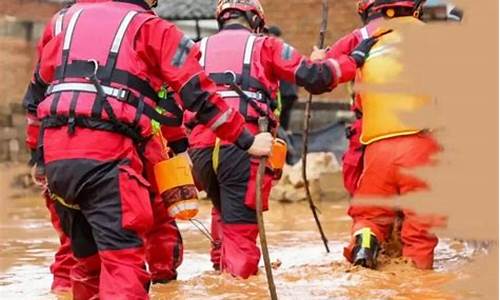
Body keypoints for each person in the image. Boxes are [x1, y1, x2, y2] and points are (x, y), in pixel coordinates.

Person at [22, 0, 274, 299]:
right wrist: (246, 140)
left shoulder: (62, 21)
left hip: (57, 159)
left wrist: (38, 159)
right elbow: (199, 94)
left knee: (87, 266)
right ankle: (165, 279)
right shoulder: (152, 27)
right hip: (109, 157)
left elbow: (36, 95)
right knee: (122, 266)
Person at [187, 0, 377, 279]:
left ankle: (220, 272)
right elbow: (316, 77)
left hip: (200, 151)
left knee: (222, 213)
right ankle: (239, 285)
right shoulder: (266, 45)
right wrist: (355, 59)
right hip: (244, 148)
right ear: (255, 20)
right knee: (241, 232)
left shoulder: (195, 49)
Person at [325, 0, 441, 270]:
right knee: (420, 227)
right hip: (420, 145)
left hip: (374, 145)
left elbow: (322, 71)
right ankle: (416, 275)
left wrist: (320, 57)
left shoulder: (365, 42)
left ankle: (365, 243)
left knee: (370, 215)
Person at [266, 25, 299, 131]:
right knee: (284, 119)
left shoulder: (276, 48)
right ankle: (285, 138)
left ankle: (281, 140)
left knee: (277, 120)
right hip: (291, 91)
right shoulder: (289, 49)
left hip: (282, 91)